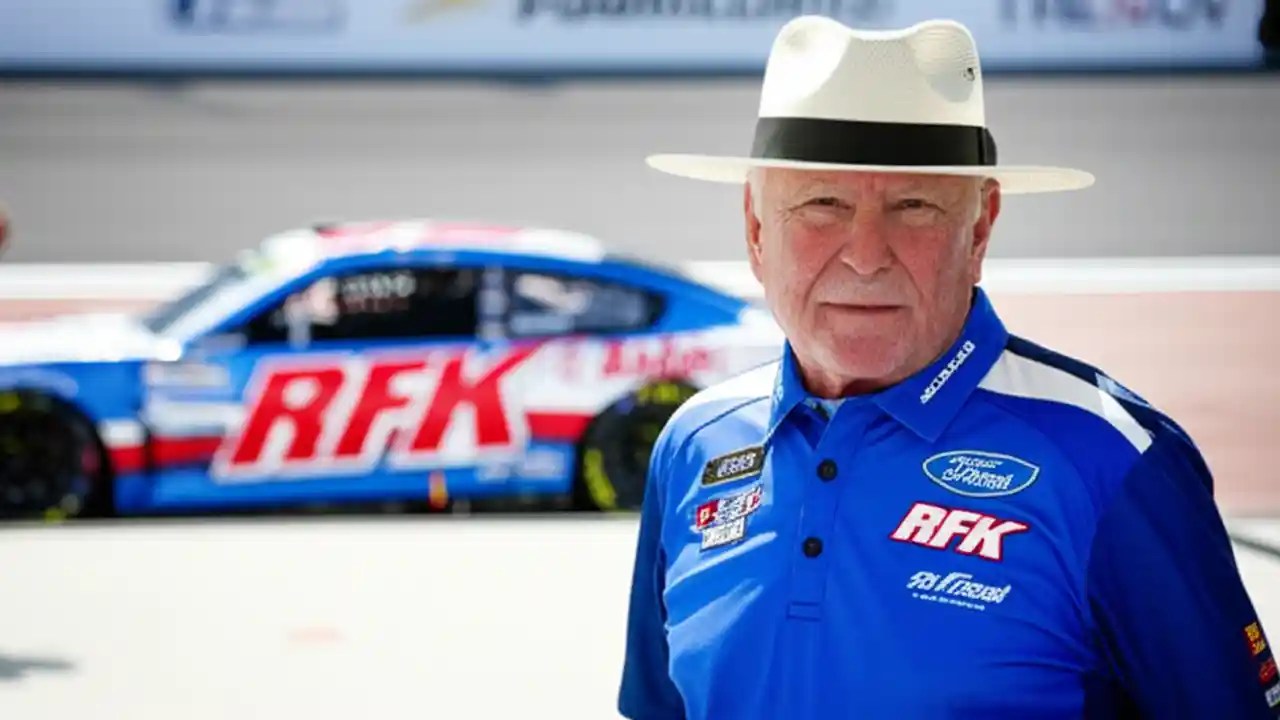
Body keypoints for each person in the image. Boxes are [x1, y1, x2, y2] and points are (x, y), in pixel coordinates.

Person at [616, 15, 1278, 720]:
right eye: (822, 204)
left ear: (981, 227)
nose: (865, 255)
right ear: (754, 226)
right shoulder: (695, 447)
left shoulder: (1110, 461)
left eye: (914, 206)